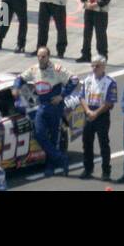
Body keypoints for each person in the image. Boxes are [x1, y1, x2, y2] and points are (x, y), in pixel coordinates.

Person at [19, 48, 73, 178]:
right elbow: (20, 78)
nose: (40, 59)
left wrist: (62, 95)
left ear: (48, 56)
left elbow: (74, 80)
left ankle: (51, 166)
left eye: (43, 57)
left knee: (54, 138)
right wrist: (16, 87)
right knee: (39, 133)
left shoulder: (57, 69)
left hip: (55, 107)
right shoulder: (34, 69)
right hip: (42, 106)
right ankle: (60, 157)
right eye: (38, 56)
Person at [80, 56, 117, 181]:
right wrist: (88, 111)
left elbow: (109, 102)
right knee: (87, 143)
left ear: (103, 66)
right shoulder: (87, 80)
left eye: (97, 66)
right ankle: (88, 168)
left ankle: (106, 171)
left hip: (101, 115)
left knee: (103, 144)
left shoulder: (110, 82)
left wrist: (96, 113)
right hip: (89, 113)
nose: (94, 68)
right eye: (93, 65)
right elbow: (82, 97)